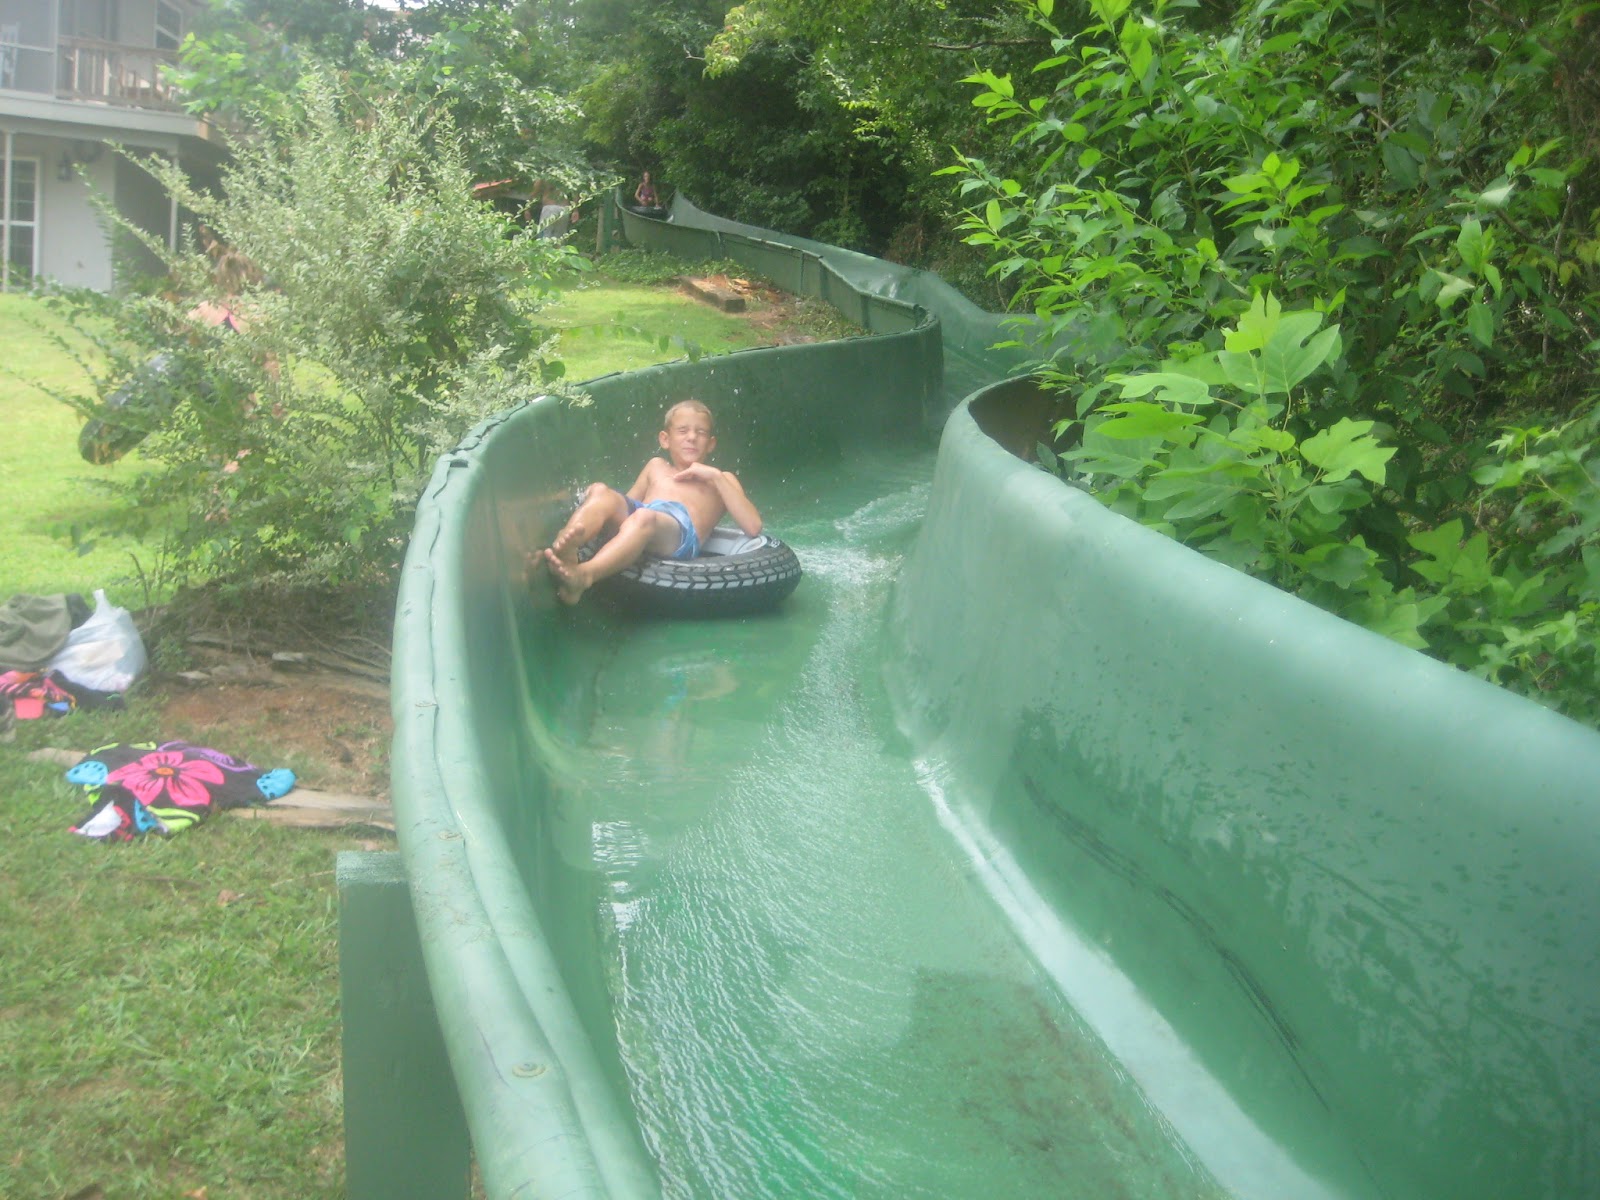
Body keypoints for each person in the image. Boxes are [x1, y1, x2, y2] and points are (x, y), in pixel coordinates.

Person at [539, 399, 762, 606]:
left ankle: (585, 575)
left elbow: (753, 526)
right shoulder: (656, 466)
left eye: (700, 433)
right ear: (665, 439)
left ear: (711, 443)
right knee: (601, 491)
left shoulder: (721, 480)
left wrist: (714, 476)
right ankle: (566, 546)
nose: (692, 437)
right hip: (645, 514)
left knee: (645, 517)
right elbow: (625, 505)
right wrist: (600, 506)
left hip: (680, 532)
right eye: (683, 431)